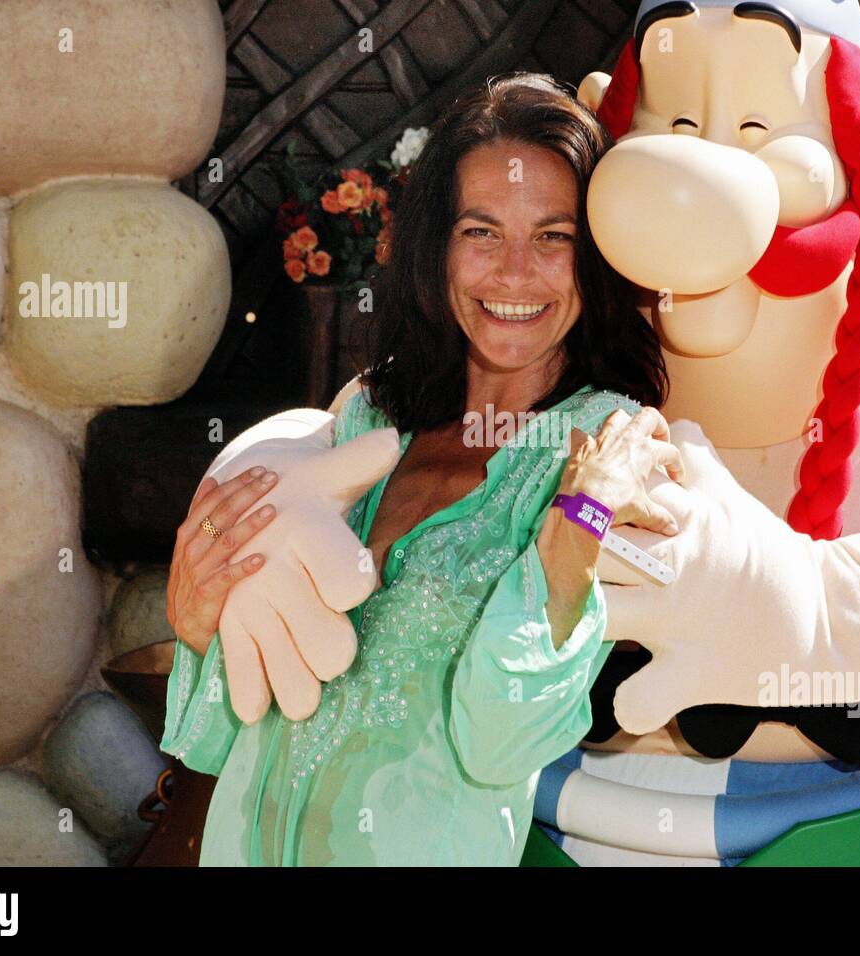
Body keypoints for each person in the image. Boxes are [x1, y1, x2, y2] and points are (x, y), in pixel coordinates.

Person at [161, 72, 681, 865]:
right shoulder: (370, 414)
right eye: (481, 232)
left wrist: (581, 521)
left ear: (596, 260)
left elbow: (501, 738)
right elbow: (222, 734)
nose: (513, 272)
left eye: (553, 237)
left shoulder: (604, 444)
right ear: (436, 247)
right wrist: (198, 624)